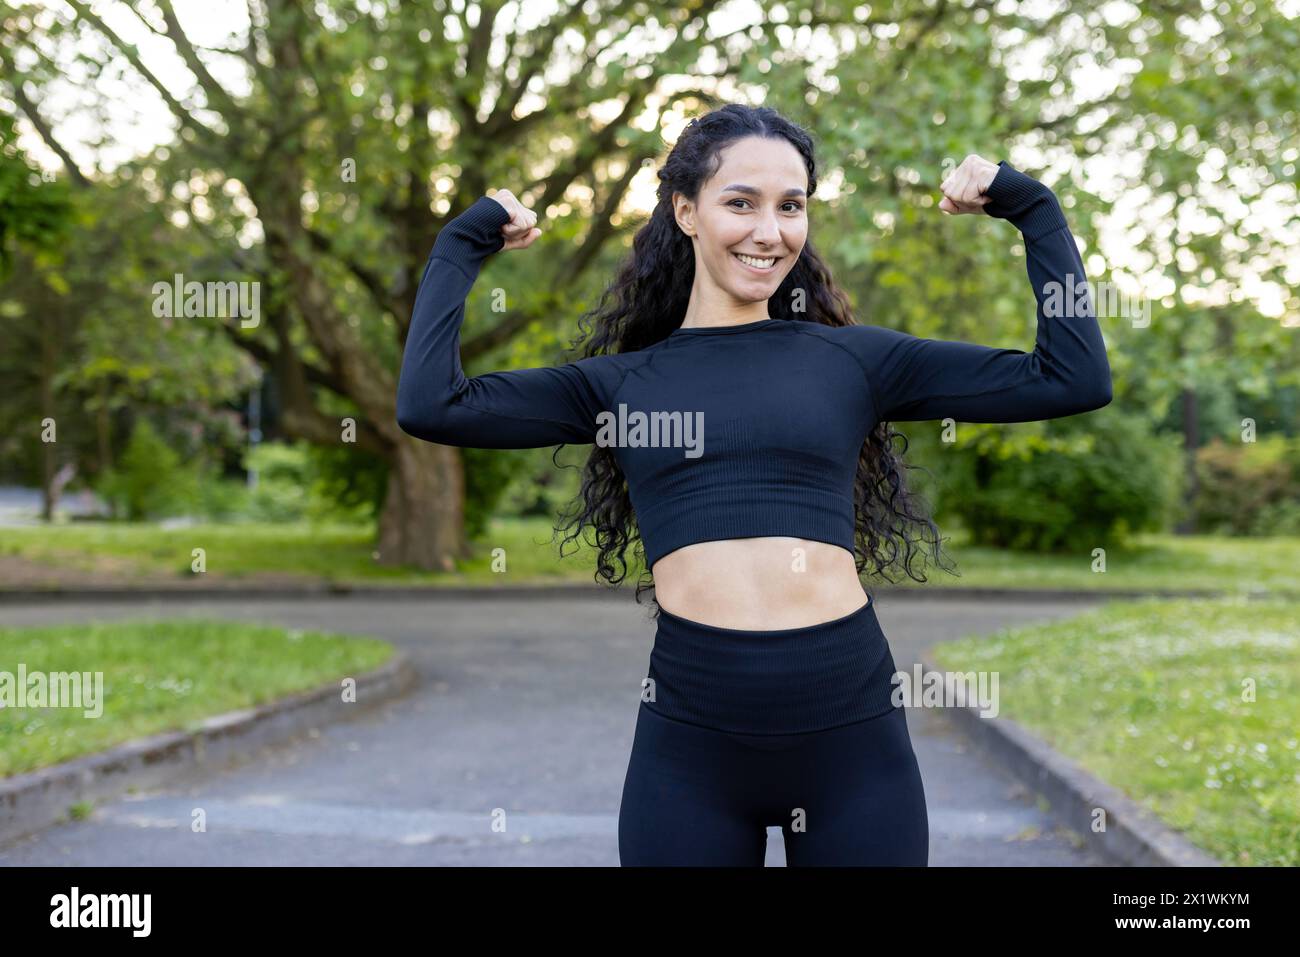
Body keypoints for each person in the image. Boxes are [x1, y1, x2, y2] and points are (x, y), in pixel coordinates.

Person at [396, 104, 1112, 866]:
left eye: (791, 206)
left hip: (851, 742)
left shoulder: (854, 361)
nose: (770, 231)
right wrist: (459, 245)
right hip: (692, 749)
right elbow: (433, 404)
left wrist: (1034, 210)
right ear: (686, 210)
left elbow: (1071, 378)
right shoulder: (620, 386)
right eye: (741, 202)